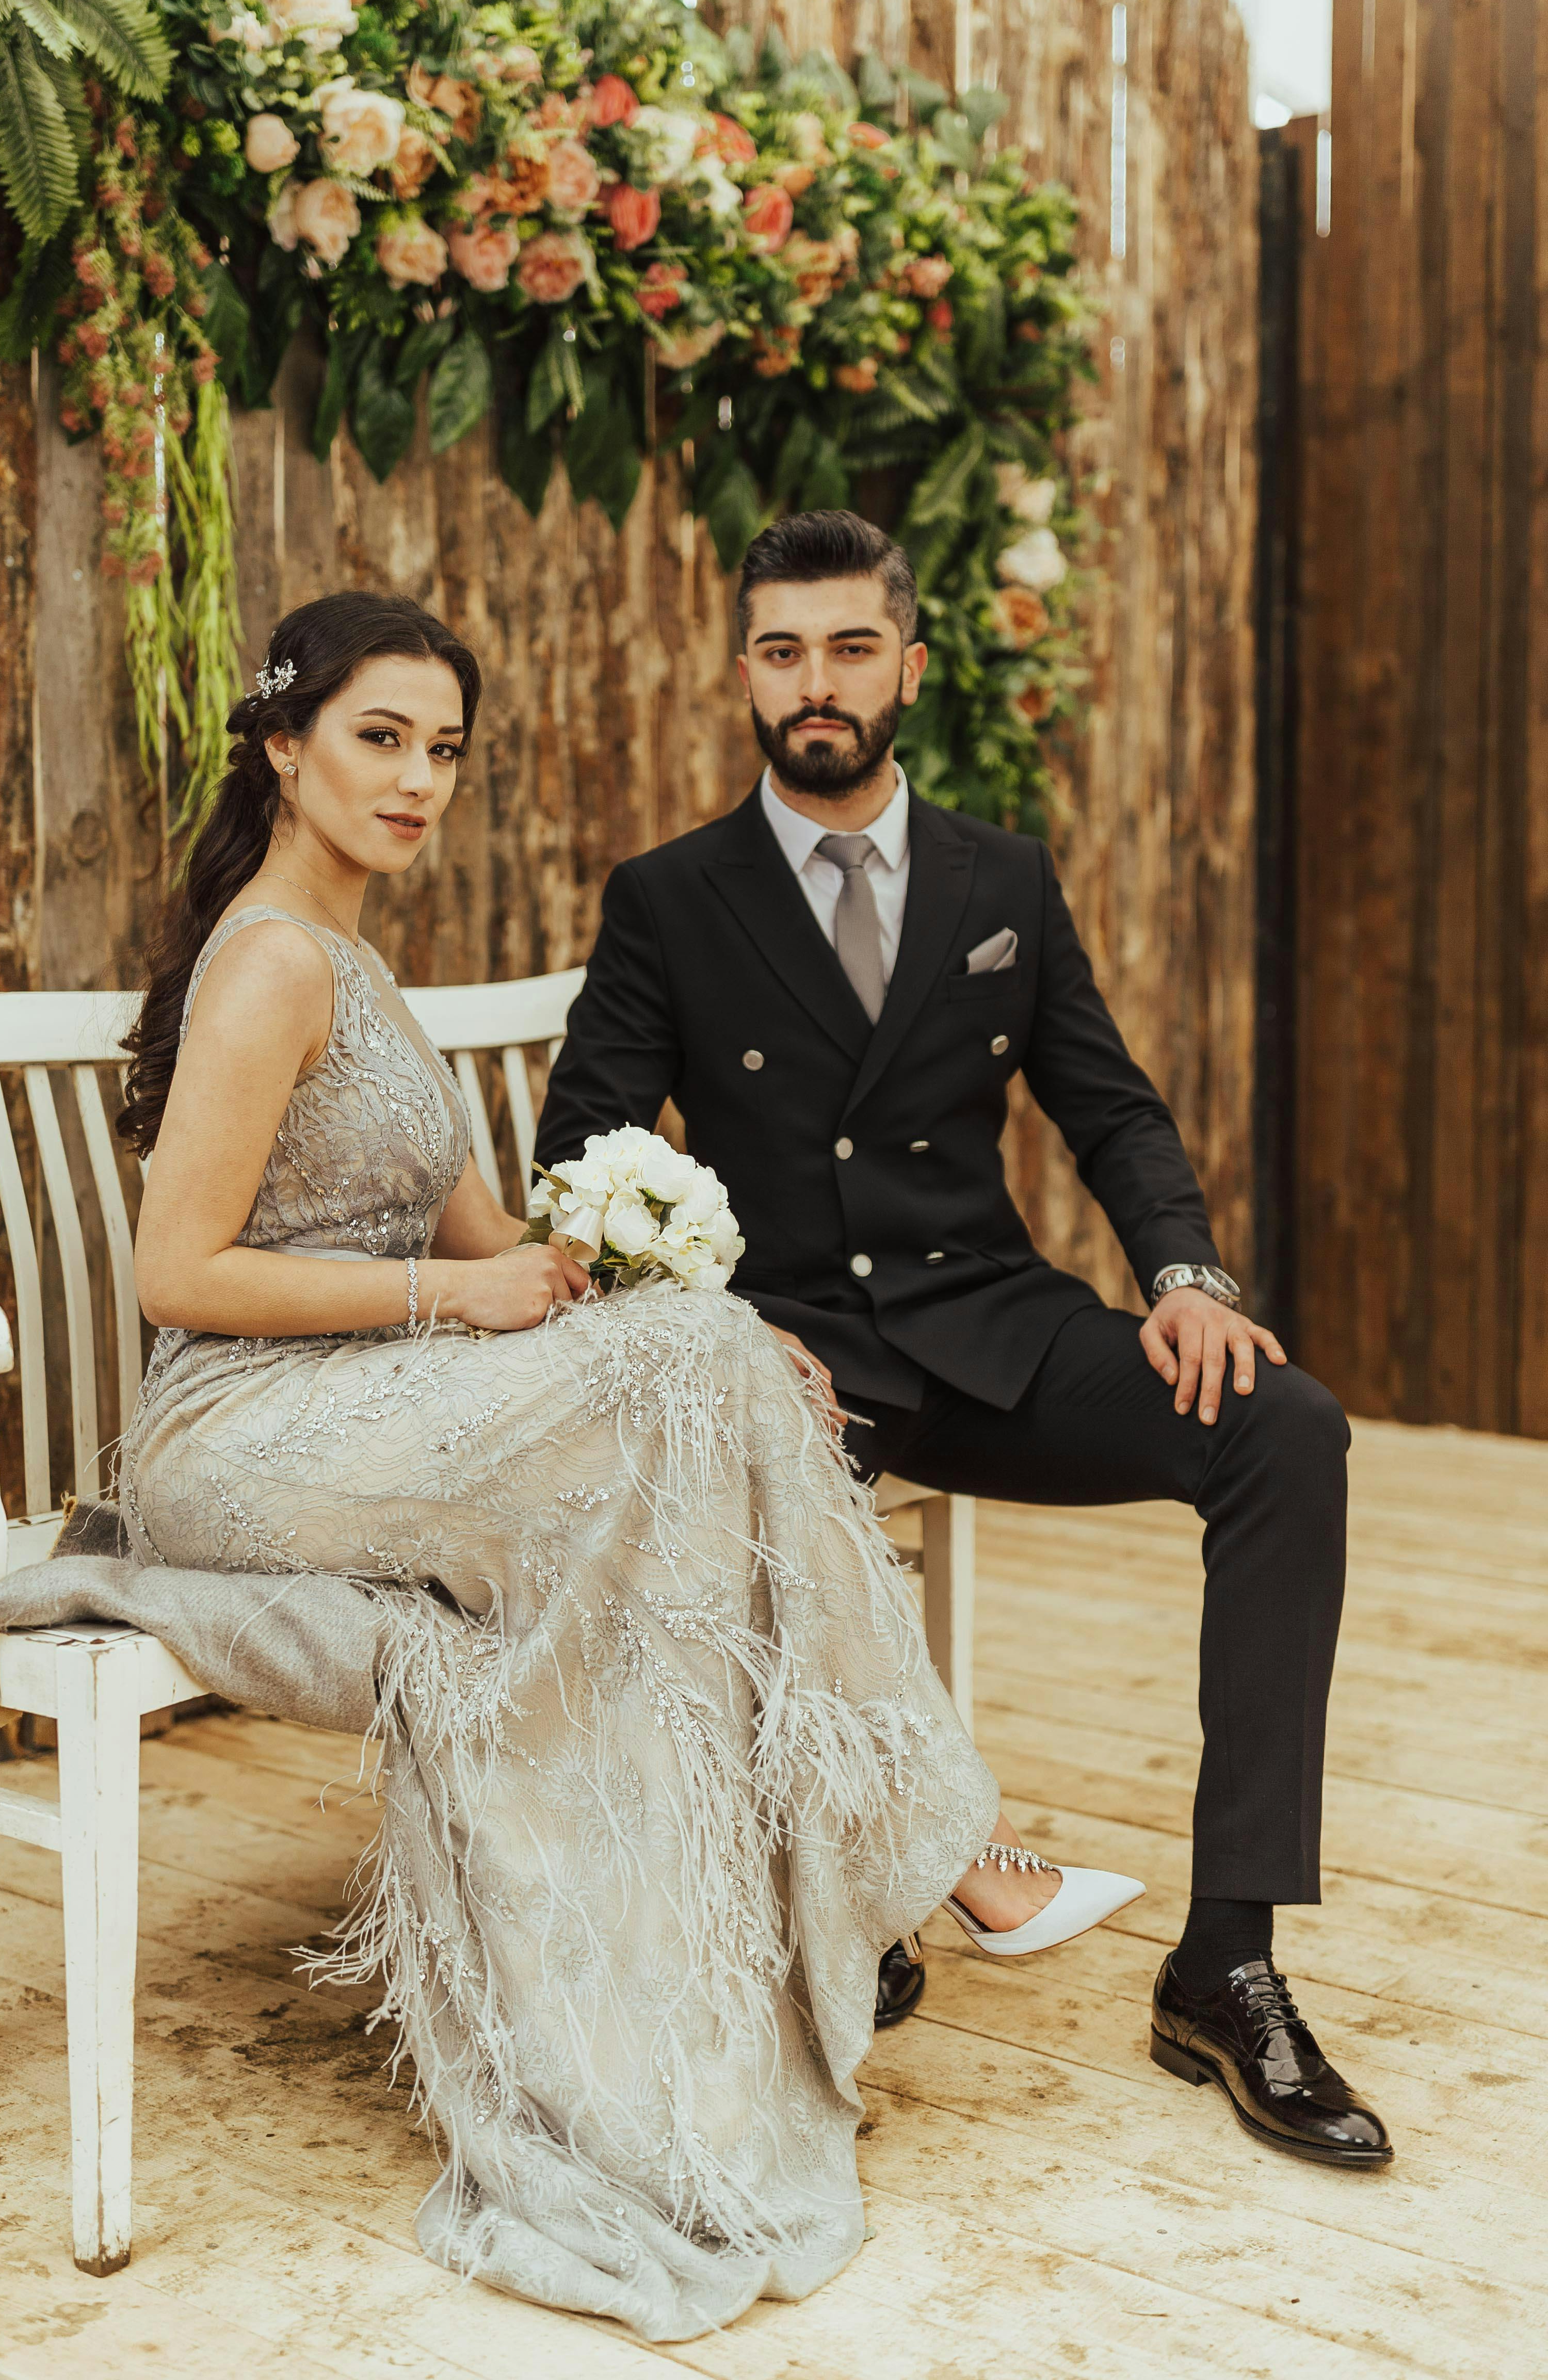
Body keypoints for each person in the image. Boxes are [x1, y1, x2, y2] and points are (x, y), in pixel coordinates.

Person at [109, 588, 1085, 2345]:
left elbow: (520, 1256)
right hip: (237, 1439)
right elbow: (176, 1275)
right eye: (379, 740)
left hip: (377, 1415)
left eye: (445, 753)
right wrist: (463, 1295)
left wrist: (696, 1323)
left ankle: (760, 1939)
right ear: (283, 748)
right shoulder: (267, 962)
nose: (420, 783)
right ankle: (932, 1829)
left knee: (710, 1391)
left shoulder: (359, 970)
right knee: (694, 1389)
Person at [536, 510, 1394, 2173]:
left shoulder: (1005, 877)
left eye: (850, 647)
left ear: (909, 666)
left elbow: (1111, 1108)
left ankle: (1229, 1963)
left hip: (987, 1330)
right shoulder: (669, 898)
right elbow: (587, 1163)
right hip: (787, 1362)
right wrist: (714, 1334)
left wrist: (1189, 1276)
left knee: (1288, 1432)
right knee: (742, 1483)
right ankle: (845, 1900)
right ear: (742, 675)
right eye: (781, 650)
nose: (816, 683)